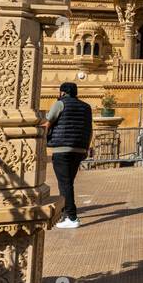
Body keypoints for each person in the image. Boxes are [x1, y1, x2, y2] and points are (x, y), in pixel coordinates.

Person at [42, 82, 93, 229]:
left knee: (64, 184)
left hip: (62, 150)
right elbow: (89, 130)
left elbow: (48, 122)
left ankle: (72, 217)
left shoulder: (60, 104)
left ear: (63, 92)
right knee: (68, 183)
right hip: (79, 149)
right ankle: (66, 213)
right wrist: (86, 148)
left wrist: (41, 140)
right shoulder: (86, 107)